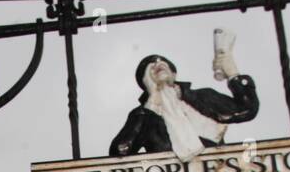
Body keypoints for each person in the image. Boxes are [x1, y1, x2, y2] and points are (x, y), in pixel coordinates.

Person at [108, 31, 259, 161]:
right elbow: (121, 151)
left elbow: (246, 109)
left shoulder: (203, 97)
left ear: (174, 74)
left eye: (162, 63)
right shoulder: (144, 115)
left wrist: (232, 73)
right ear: (145, 82)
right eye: (150, 68)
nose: (156, 64)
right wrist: (152, 102)